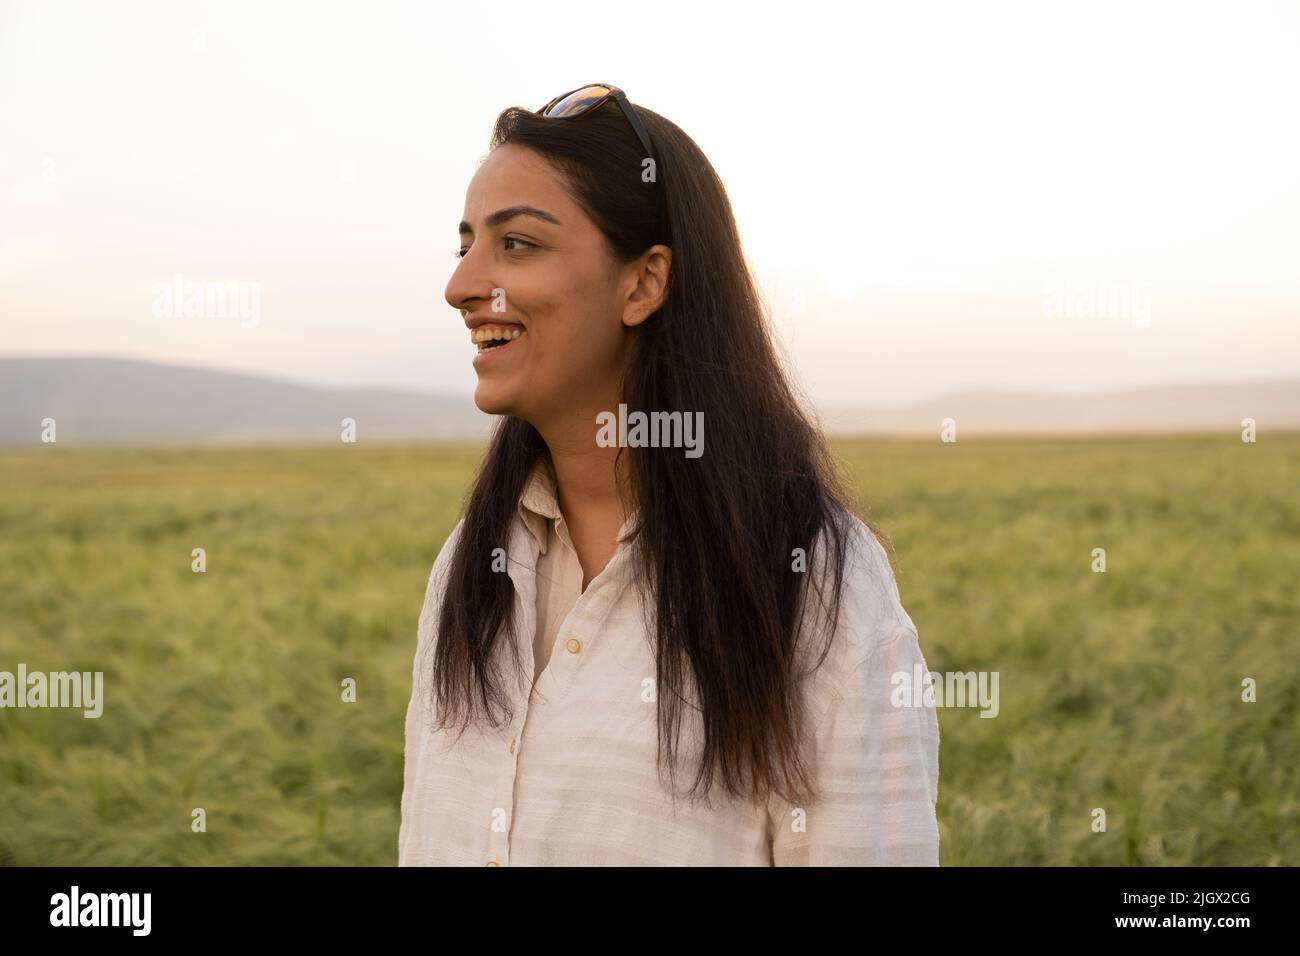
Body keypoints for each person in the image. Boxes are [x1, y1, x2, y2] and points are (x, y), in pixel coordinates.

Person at [399, 84, 939, 866]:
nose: (461, 286)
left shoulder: (812, 585)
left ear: (644, 283)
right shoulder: (471, 568)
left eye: (517, 244)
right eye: (466, 245)